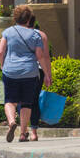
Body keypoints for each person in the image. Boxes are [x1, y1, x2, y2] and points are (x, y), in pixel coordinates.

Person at [0, 5, 51, 143]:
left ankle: (11, 122)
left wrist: (3, 65)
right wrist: (46, 73)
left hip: (11, 71)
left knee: (10, 101)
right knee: (27, 103)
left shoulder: (8, 32)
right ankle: (23, 133)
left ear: (15, 18)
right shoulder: (35, 34)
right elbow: (40, 56)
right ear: (28, 19)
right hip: (30, 72)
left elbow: (0, 51)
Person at [27, 13, 52, 142]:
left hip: (21, 70)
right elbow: (46, 56)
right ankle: (34, 132)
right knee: (34, 100)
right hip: (38, 70)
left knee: (22, 100)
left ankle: (23, 130)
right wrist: (48, 74)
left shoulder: (15, 34)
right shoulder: (41, 35)